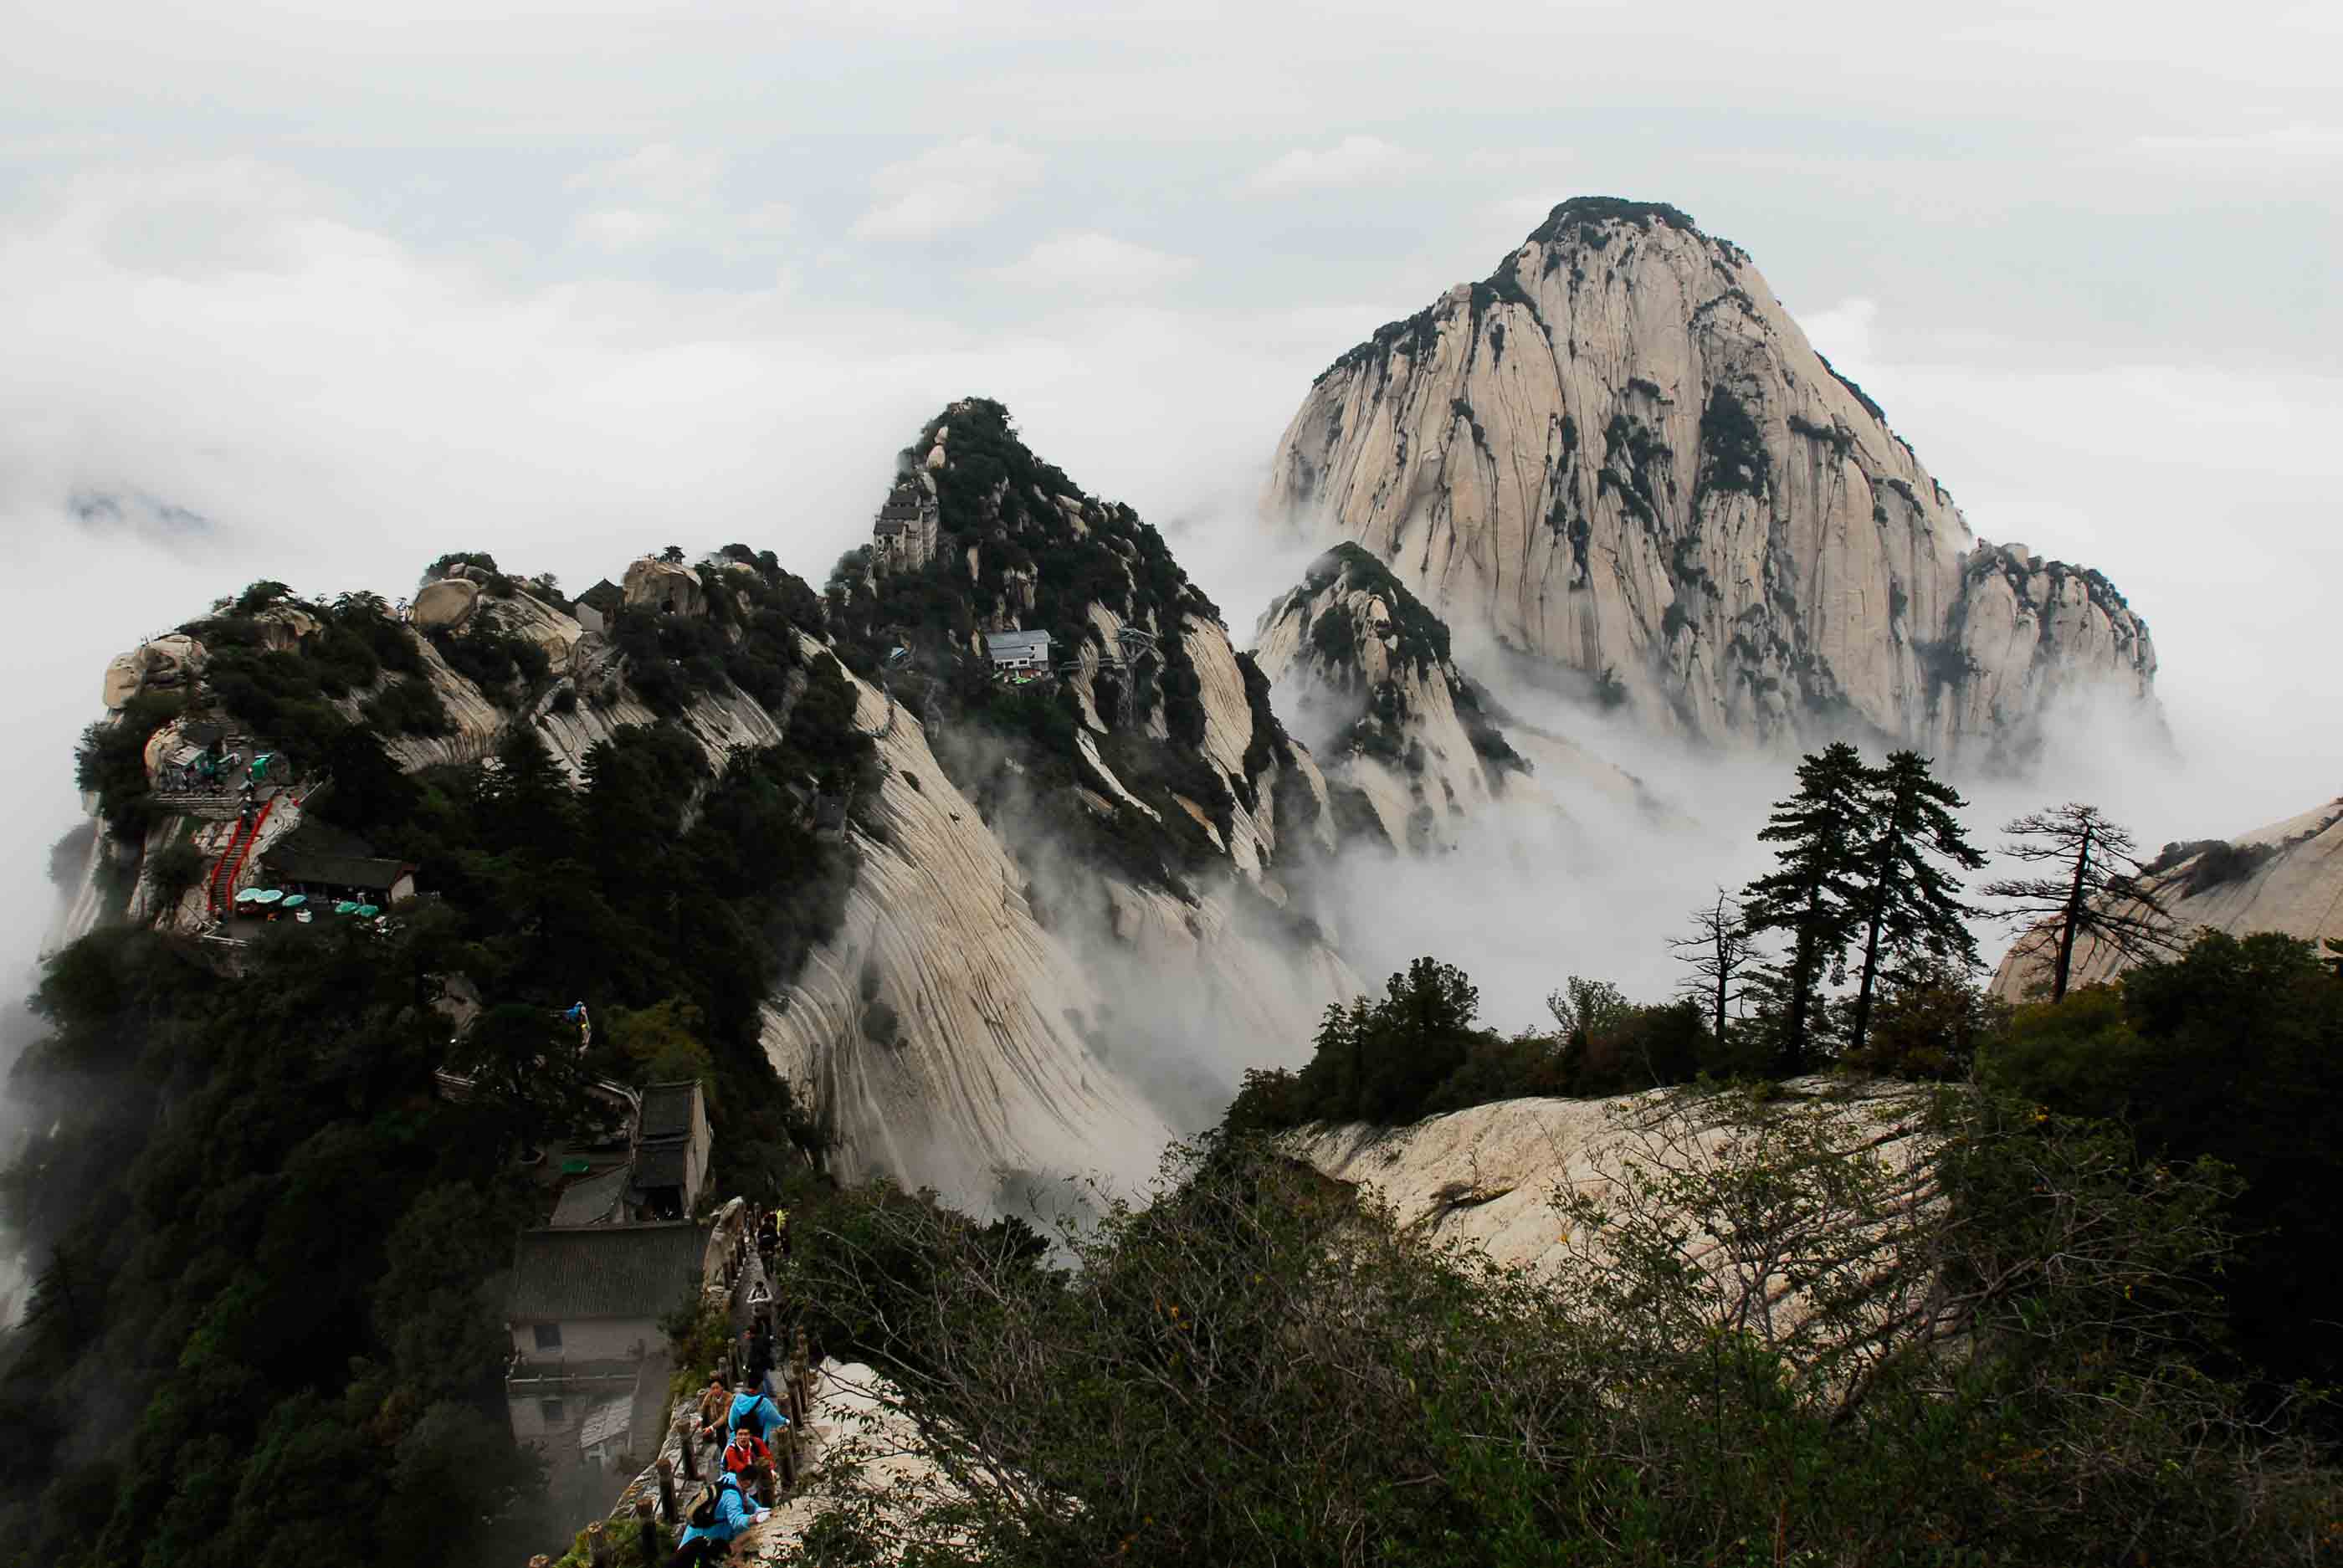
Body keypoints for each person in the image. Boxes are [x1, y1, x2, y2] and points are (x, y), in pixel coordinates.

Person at [669, 1471, 766, 1567]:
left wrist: (757, 1508)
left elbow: (746, 1499)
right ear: (747, 1482)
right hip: (706, 1534)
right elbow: (737, 1520)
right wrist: (754, 1518)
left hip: (694, 1535)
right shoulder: (732, 1497)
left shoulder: (729, 1479)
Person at [725, 1378, 789, 1446]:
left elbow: (731, 1424)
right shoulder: (764, 1402)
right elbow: (776, 1418)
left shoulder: (737, 1401)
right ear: (759, 1387)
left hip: (741, 1440)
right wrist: (785, 1421)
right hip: (759, 1438)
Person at [721, 1426, 773, 1500]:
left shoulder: (757, 1442)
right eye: (740, 1434)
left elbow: (768, 1457)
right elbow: (741, 1469)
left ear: (750, 1435)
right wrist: (760, 1465)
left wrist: (771, 1470)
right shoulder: (731, 1450)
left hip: (755, 1477)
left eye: (746, 1434)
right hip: (739, 1480)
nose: (743, 1437)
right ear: (736, 1437)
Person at [694, 1374, 729, 1442]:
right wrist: (700, 1419)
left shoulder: (728, 1398)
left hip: (726, 1420)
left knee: (724, 1436)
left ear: (722, 1387)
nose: (715, 1390)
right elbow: (703, 1407)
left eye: (717, 1388)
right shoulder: (710, 1395)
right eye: (713, 1388)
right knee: (720, 1439)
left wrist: (711, 1428)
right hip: (717, 1419)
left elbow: (724, 1416)